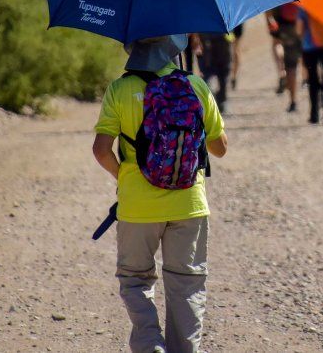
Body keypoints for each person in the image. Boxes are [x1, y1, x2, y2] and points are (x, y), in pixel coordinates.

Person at [92, 35, 229, 353]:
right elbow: (220, 149)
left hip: (137, 205)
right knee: (186, 284)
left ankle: (151, 344)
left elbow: (101, 150)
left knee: (136, 280)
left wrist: (122, 177)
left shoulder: (120, 89)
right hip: (188, 202)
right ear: (174, 48)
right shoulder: (194, 85)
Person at [267, 3, 302, 111]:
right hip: (298, 23)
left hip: (282, 25)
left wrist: (269, 20)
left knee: (278, 46)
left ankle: (293, 101)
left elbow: (267, 8)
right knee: (299, 63)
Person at [194, 32, 233, 114]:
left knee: (222, 79)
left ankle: (219, 102)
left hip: (221, 51)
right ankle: (214, 103)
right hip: (209, 53)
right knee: (209, 81)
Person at [229, 24, 243, 90]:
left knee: (227, 49)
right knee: (236, 50)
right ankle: (234, 76)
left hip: (226, 24)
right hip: (237, 22)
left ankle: (230, 75)